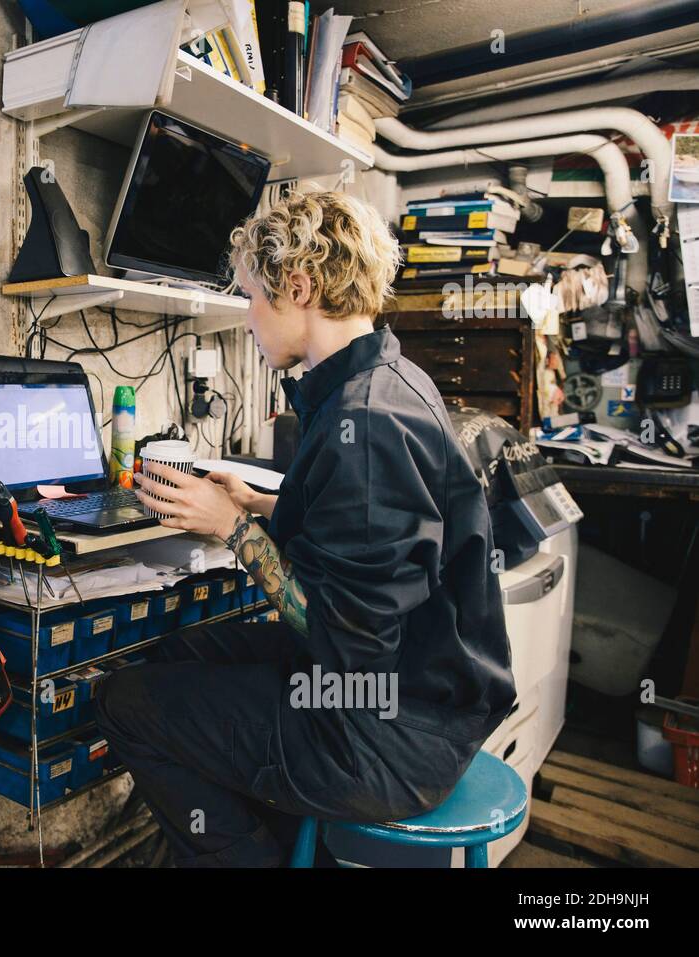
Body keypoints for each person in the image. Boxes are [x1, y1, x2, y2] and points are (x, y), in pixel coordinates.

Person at [93, 190, 516, 867]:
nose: (250, 317)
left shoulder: (370, 420)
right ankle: (284, 848)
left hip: (383, 735)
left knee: (124, 701)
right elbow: (361, 527)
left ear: (300, 284)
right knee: (174, 659)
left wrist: (231, 527)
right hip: (410, 695)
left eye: (255, 295)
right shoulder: (382, 381)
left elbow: (348, 642)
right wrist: (256, 501)